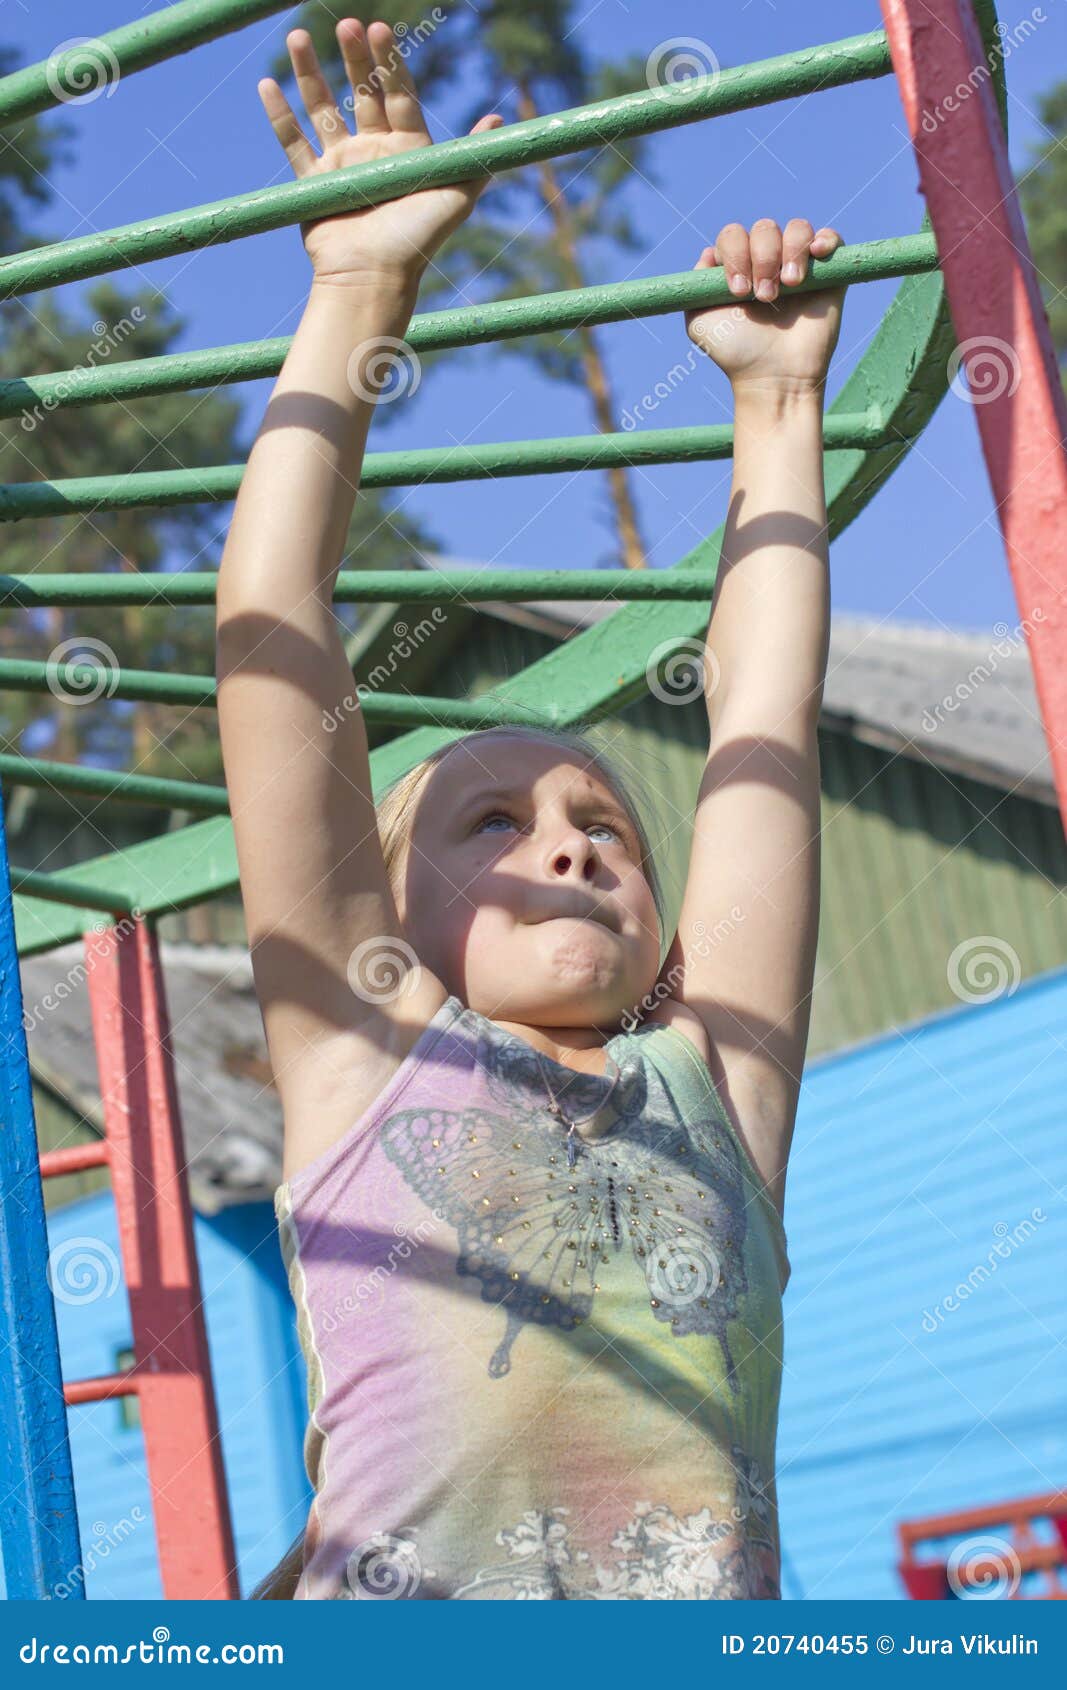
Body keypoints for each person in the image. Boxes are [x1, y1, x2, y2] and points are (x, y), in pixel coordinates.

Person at [216, 16, 845, 1601]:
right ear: (390, 918)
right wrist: (359, 294)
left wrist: (775, 409)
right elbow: (274, 634)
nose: (565, 836)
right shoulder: (370, 1054)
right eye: (487, 826)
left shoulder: (718, 1087)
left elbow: (762, 723)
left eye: (606, 826)